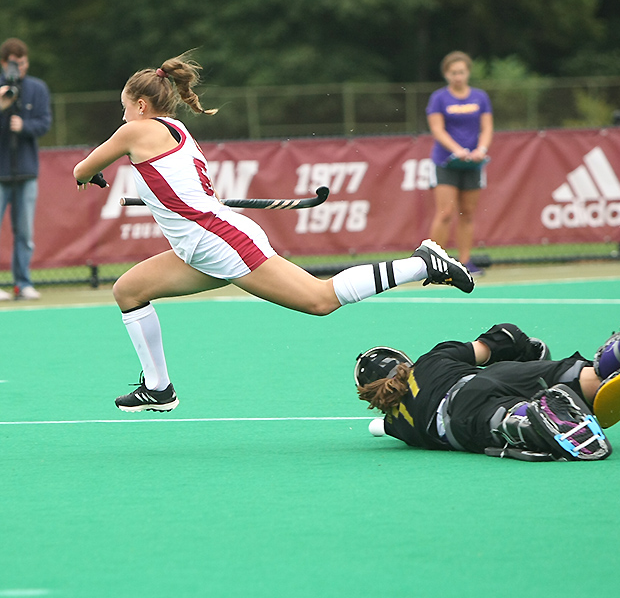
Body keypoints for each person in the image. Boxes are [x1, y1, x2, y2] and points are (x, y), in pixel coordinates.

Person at [73, 52, 475, 413]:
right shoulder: (176, 129)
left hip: (219, 242)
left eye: (125, 108)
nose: (123, 117)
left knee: (319, 299)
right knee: (129, 291)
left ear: (141, 106)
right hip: (197, 246)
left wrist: (92, 175)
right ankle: (159, 388)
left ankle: (423, 264)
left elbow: (81, 170)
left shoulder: (136, 131)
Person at [355, 306, 620, 461]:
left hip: (462, 416)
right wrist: (528, 352)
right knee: (584, 377)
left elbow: (386, 423)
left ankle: (528, 419)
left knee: (503, 420)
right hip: (489, 377)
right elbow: (503, 336)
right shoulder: (432, 360)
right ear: (403, 361)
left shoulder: (397, 426)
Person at [426, 51, 493, 276]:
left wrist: (480, 150)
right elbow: (437, 129)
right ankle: (433, 264)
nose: (458, 77)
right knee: (445, 212)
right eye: (453, 73)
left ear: (468, 73)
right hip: (445, 163)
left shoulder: (480, 97)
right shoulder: (438, 98)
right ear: (446, 74)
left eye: (461, 72)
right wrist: (457, 151)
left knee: (468, 213)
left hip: (473, 164)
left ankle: (465, 263)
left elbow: (487, 128)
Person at [0, 38, 52, 301]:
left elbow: (44, 123)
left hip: (26, 171)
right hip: (0, 172)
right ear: (3, 63)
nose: (18, 69)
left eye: (22, 63)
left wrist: (25, 126)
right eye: (13, 64)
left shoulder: (37, 88)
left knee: (24, 232)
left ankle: (23, 283)